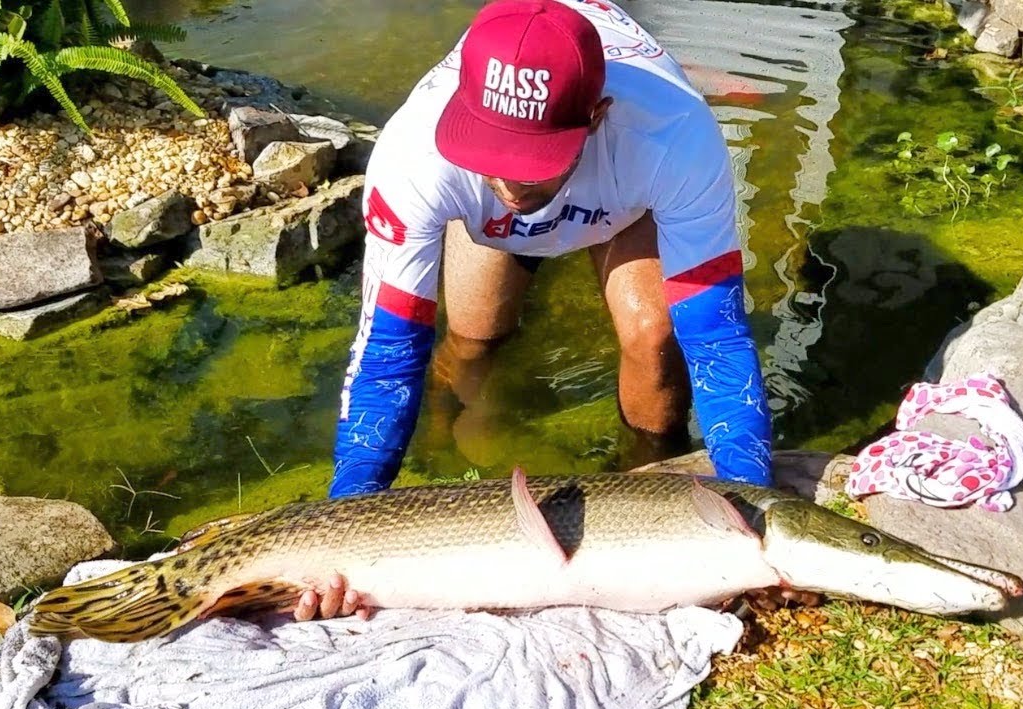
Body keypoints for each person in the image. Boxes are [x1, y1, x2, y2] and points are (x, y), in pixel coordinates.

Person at [297, 0, 777, 622]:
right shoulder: (416, 151)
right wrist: (348, 517)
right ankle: (443, 430)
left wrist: (753, 510)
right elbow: (387, 349)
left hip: (626, 200)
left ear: (597, 116)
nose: (512, 182)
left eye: (533, 162)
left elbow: (715, 338)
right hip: (489, 215)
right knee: (474, 339)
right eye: (495, 153)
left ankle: (649, 473)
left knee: (655, 338)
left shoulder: (677, 136)